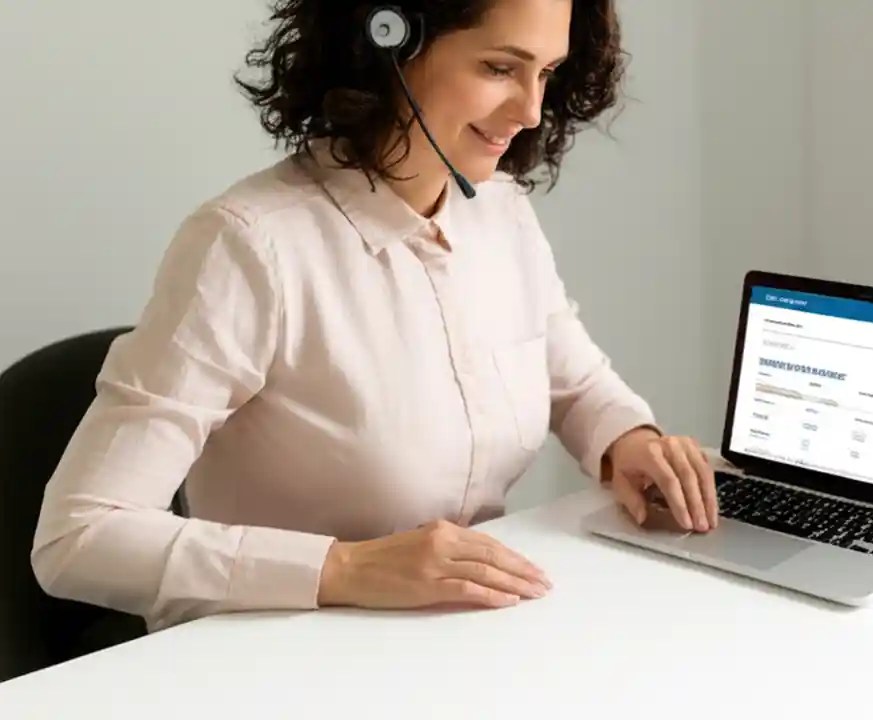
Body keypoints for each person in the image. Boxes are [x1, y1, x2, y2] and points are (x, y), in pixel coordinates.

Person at [31, 0, 717, 633]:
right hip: (276, 660)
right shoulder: (249, 246)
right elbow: (80, 536)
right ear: (386, 41)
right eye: (499, 67)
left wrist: (630, 441)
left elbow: (572, 377)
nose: (532, 110)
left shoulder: (499, 212)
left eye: (547, 72)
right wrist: (344, 569)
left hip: (460, 641)